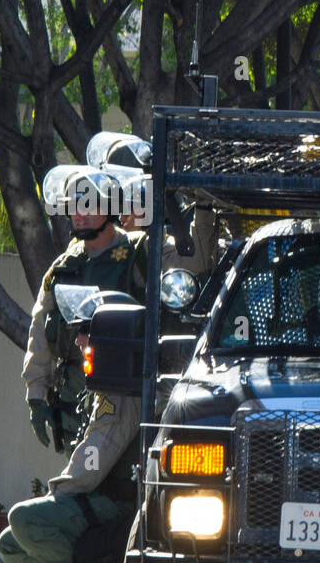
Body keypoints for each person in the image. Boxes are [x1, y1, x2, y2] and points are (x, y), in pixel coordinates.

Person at [23, 167, 195, 453]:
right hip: (74, 400)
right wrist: (36, 396)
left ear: (111, 207)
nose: (80, 213)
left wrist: (200, 213)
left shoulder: (141, 251)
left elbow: (191, 266)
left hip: (128, 395)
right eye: (74, 207)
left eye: (89, 205)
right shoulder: (63, 267)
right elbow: (39, 334)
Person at [0, 290, 142, 563]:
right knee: (11, 546)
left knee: (25, 520)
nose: (78, 340)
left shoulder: (122, 390)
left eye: (86, 330)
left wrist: (56, 497)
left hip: (122, 509)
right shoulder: (110, 382)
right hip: (105, 502)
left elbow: (92, 465)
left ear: (112, 336)